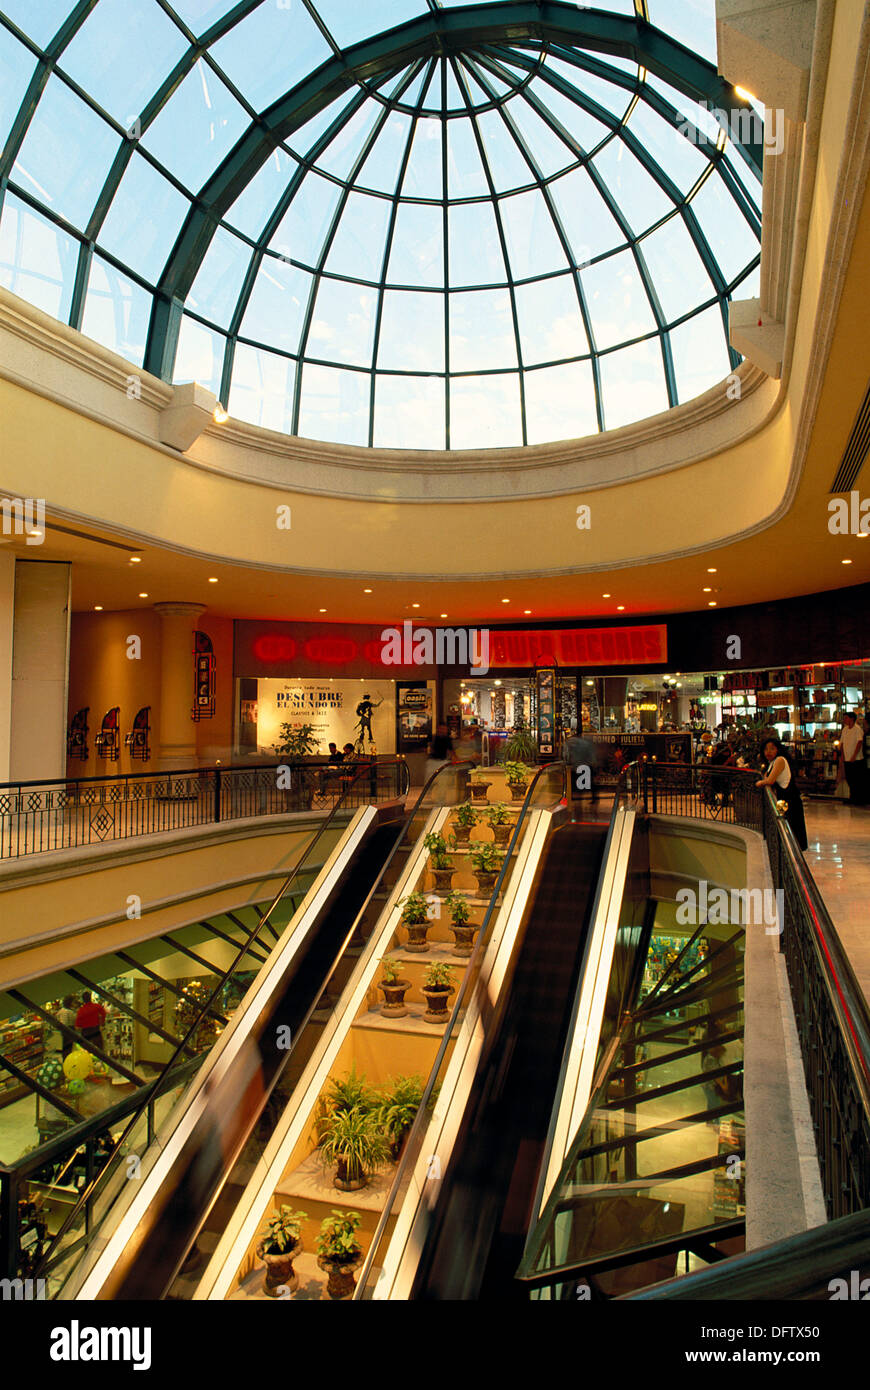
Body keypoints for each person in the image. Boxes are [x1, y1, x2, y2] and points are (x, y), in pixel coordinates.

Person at [756, 736, 808, 851]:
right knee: (782, 823)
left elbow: (770, 780)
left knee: (789, 825)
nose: (768, 752)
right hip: (782, 798)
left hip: (789, 799)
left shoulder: (780, 760)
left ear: (778, 749)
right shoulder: (771, 763)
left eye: (772, 748)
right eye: (766, 749)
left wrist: (760, 783)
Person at [564, 730, 599, 808]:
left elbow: (567, 755)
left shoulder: (570, 742)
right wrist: (594, 764)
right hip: (587, 765)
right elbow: (591, 755)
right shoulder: (586, 743)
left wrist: (568, 762)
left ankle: (572, 799)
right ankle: (594, 798)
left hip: (576, 766)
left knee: (574, 783)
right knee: (590, 783)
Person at [839, 712, 868, 806]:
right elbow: (842, 743)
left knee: (857, 780)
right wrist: (842, 755)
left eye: (846, 718)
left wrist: (854, 755)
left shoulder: (857, 729)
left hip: (857, 759)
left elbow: (859, 742)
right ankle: (852, 797)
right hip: (847, 759)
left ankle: (859, 799)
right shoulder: (845, 729)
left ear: (851, 719)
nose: (844, 720)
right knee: (850, 779)